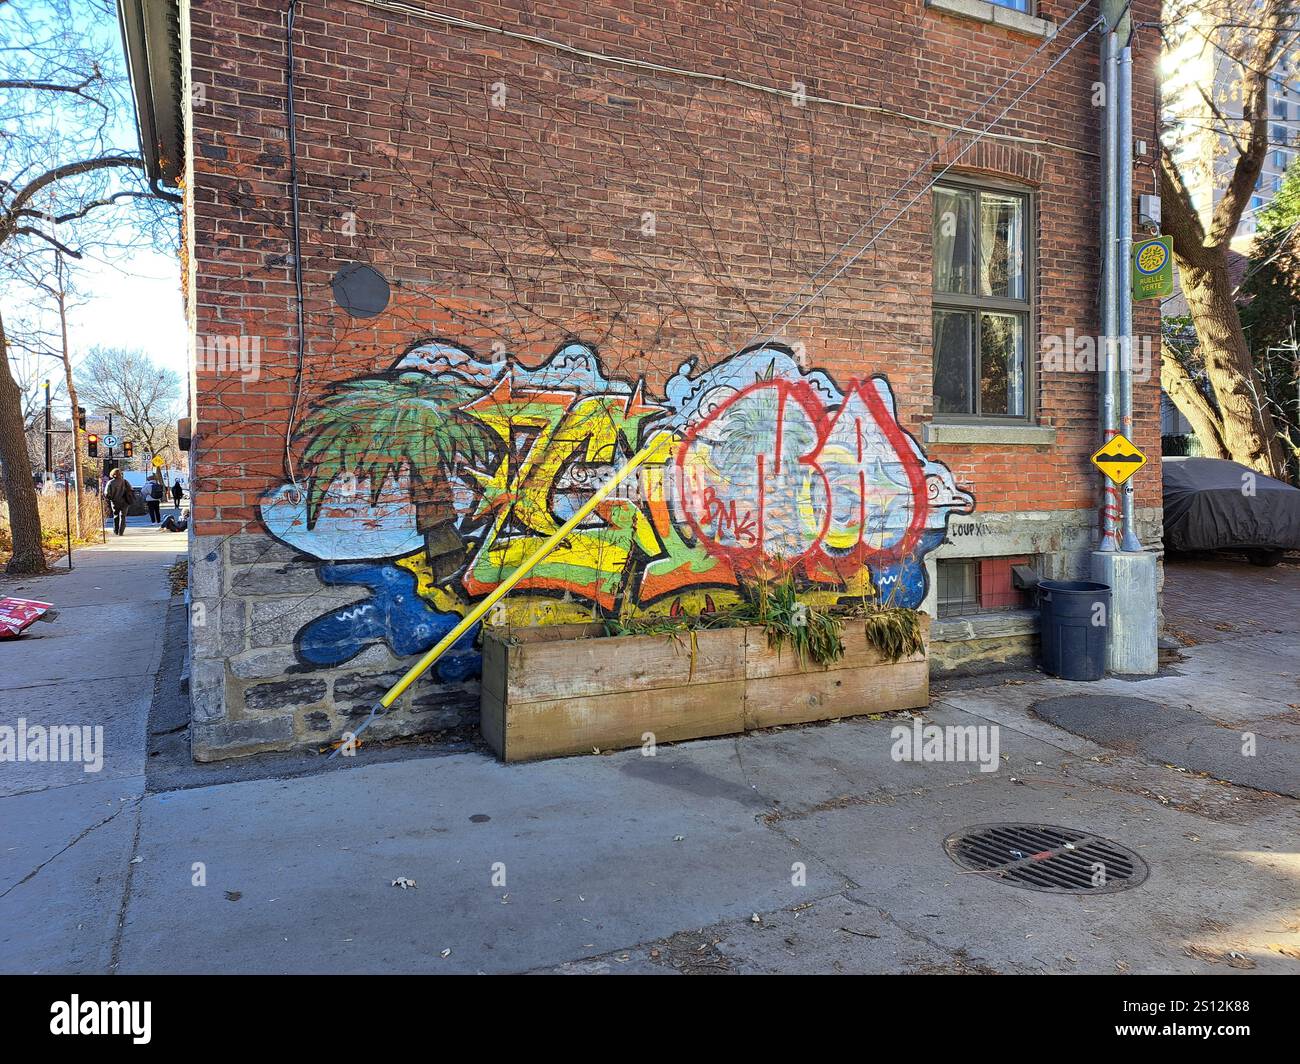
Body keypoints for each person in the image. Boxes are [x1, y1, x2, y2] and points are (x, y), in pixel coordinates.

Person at [105, 468, 132, 536]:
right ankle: (121, 531)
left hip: (115, 501)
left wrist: (111, 499)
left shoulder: (110, 483)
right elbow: (131, 490)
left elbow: (106, 493)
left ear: (113, 474)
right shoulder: (125, 481)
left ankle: (116, 530)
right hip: (125, 501)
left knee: (116, 515)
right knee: (123, 516)